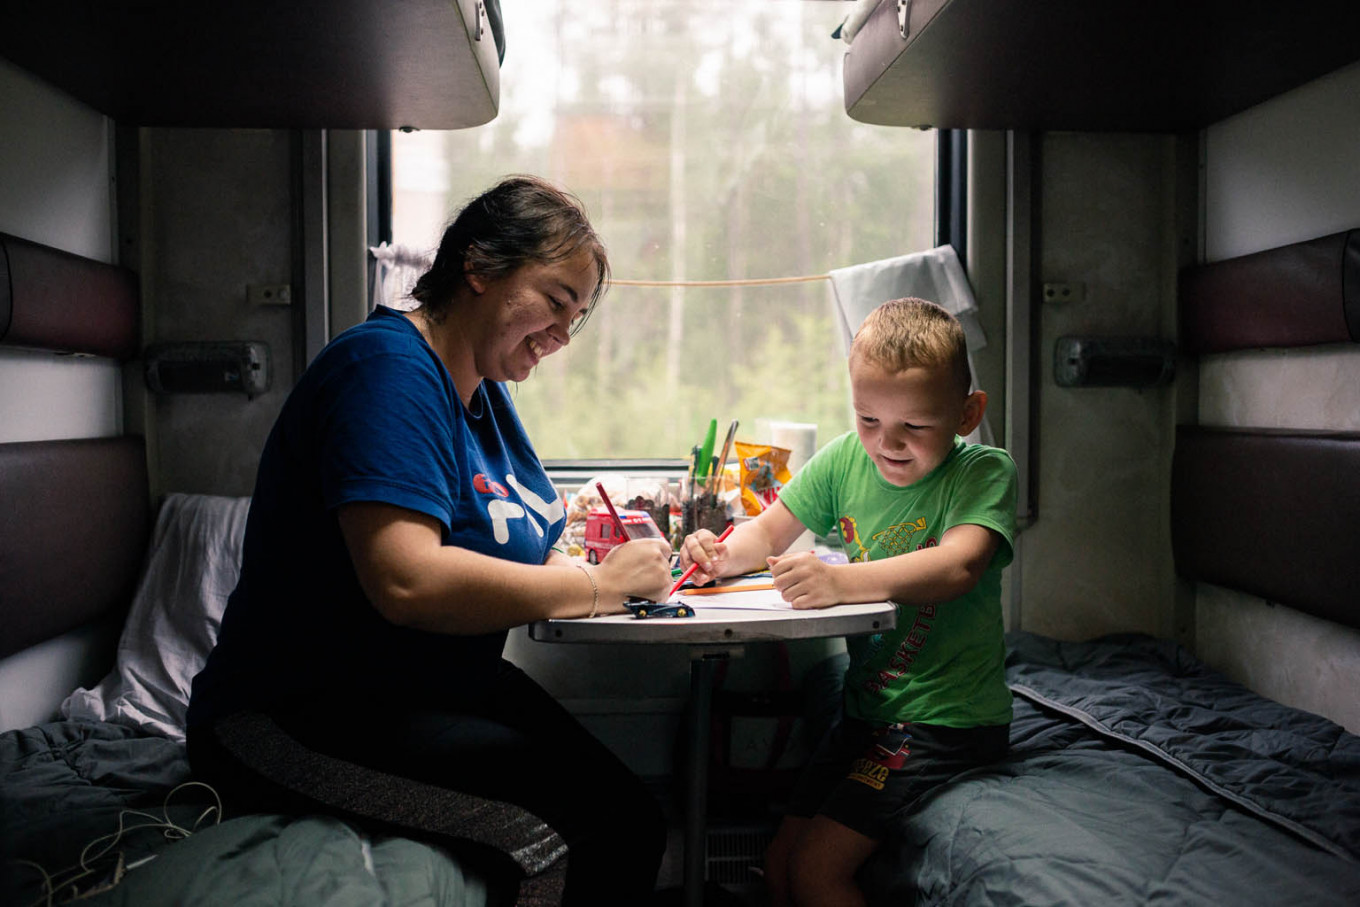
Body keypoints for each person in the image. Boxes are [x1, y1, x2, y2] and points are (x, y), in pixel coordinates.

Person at [187, 175, 673, 904]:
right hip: (297, 712)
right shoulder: (386, 371)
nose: (563, 334)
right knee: (583, 831)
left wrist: (578, 558)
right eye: (554, 300)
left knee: (633, 812)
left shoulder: (486, 392)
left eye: (576, 316)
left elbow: (508, 530)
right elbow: (406, 580)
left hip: (429, 689)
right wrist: (599, 587)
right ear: (477, 268)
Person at [677, 297, 1017, 907]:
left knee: (815, 874)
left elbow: (960, 565)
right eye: (867, 420)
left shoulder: (983, 472)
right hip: (867, 714)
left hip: (946, 721)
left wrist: (839, 582)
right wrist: (720, 556)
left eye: (914, 426)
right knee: (779, 865)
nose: (886, 444)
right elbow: (766, 531)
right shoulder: (843, 460)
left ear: (967, 414)